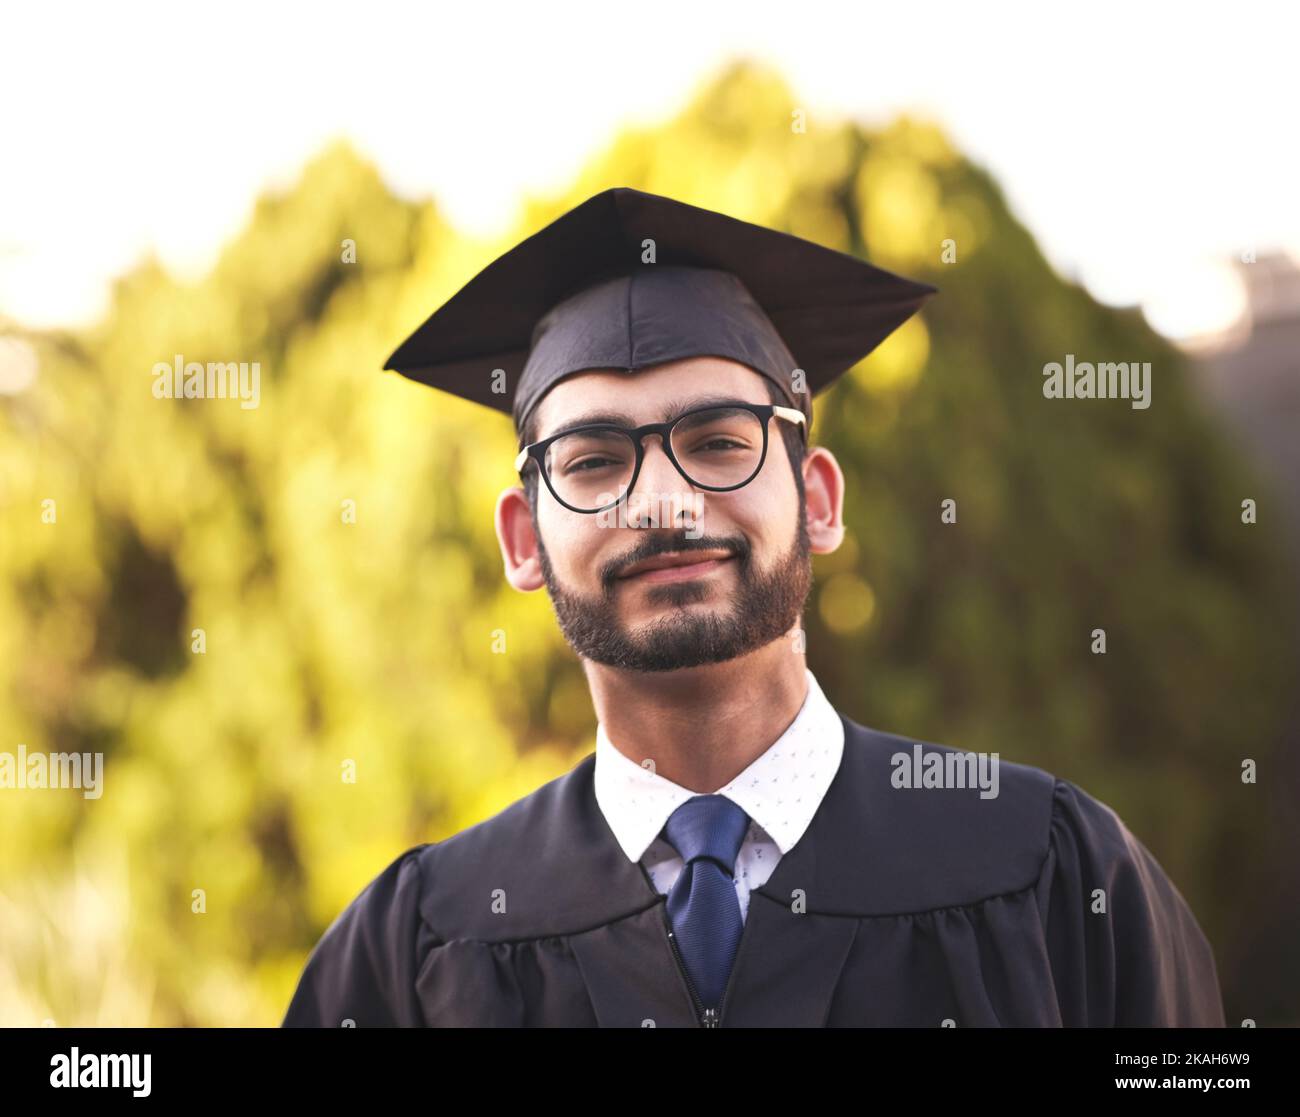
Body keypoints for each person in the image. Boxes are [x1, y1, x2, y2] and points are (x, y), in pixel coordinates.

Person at [282, 187, 1225, 1028]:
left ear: (817, 498)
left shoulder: (1054, 874)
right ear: (523, 541)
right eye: (594, 460)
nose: (663, 503)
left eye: (720, 441)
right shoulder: (418, 952)